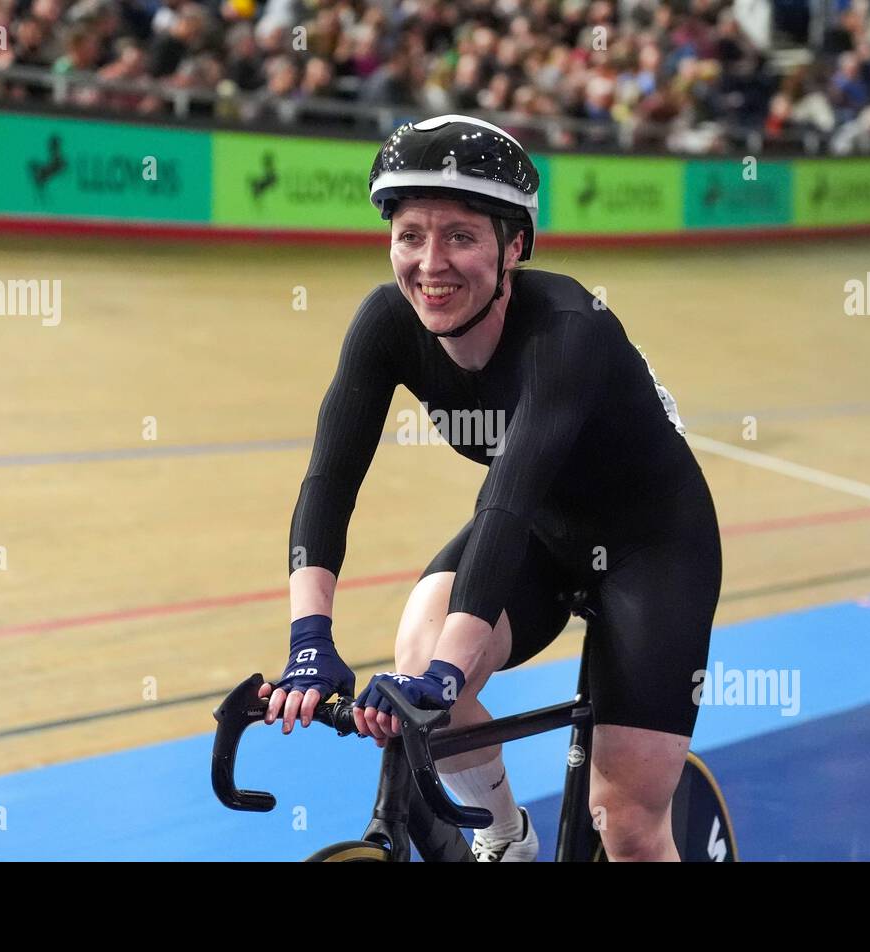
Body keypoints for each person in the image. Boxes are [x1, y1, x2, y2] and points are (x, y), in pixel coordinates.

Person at [260, 115, 722, 862]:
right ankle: (505, 837)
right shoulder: (386, 323)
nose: (430, 264)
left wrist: (446, 675)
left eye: (460, 237)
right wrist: (309, 639)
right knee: (418, 650)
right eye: (410, 235)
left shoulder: (568, 327)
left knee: (628, 825)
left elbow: (506, 496)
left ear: (515, 247)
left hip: (650, 543)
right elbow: (329, 479)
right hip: (542, 528)